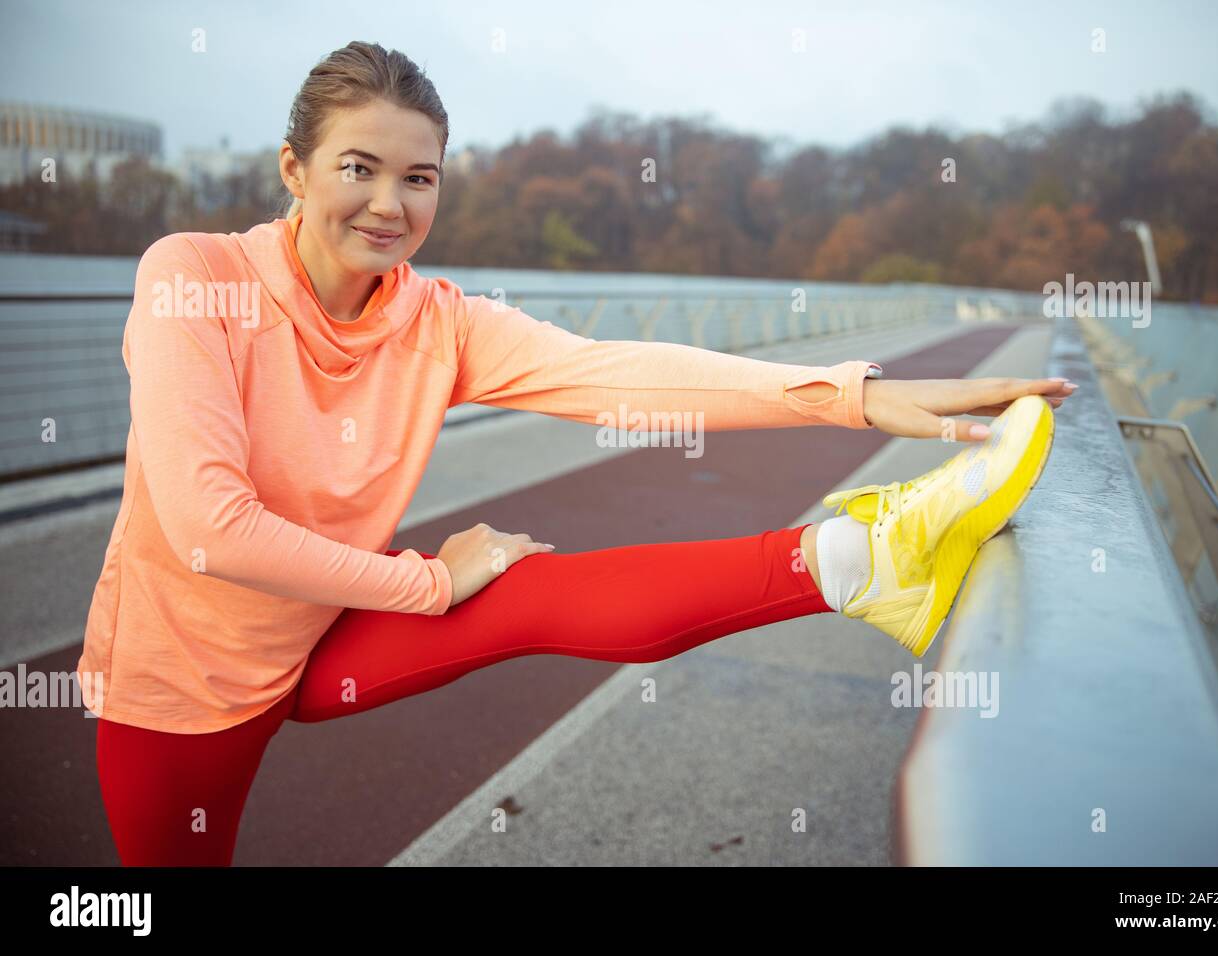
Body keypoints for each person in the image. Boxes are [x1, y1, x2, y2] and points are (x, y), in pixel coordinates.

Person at [77, 41, 1077, 867]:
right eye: (358, 167)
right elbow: (211, 526)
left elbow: (617, 373)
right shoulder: (193, 276)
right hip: (180, 689)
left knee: (527, 589)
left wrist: (857, 396)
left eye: (417, 178)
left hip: (321, 635)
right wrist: (424, 582)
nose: (388, 203)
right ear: (293, 169)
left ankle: (859, 561)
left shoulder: (437, 321)